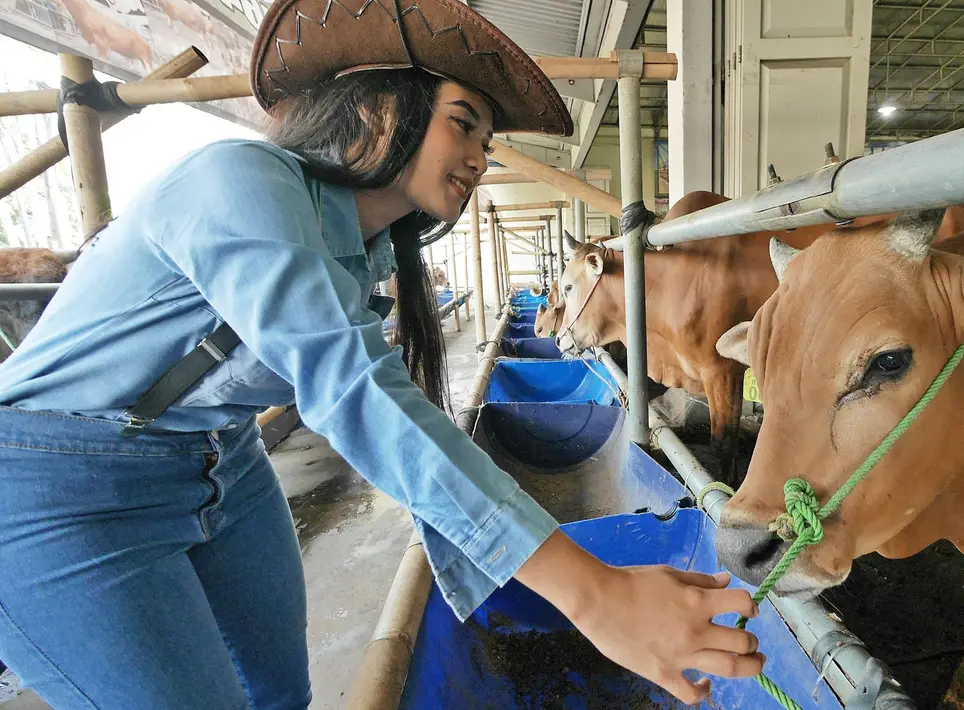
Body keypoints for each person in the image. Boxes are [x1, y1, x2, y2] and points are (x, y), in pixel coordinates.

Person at [0, 0, 766, 707]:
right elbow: (358, 394)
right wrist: (591, 592)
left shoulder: (367, 253)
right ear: (375, 107)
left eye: (487, 143)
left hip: (218, 456)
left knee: (278, 693)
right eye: (463, 124)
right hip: (56, 484)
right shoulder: (237, 180)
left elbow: (383, 403)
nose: (478, 157)